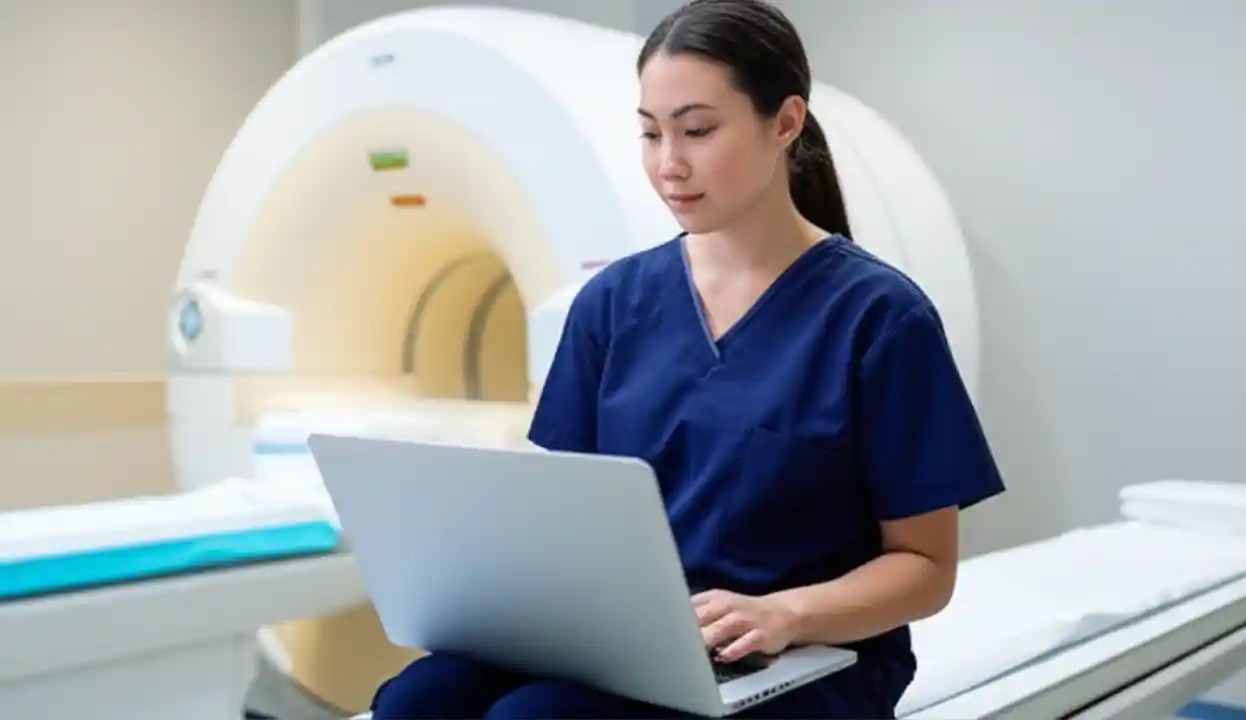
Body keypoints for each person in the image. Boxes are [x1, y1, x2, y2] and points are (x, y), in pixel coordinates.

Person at [370, 0, 1005, 717]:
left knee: (534, 718)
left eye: (698, 131)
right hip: (624, 640)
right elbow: (565, 519)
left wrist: (785, 615)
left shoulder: (879, 318)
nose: (669, 165)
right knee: (416, 700)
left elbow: (925, 569)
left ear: (786, 123)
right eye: (650, 134)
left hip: (801, 659)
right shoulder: (611, 303)